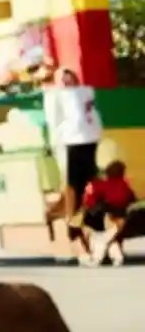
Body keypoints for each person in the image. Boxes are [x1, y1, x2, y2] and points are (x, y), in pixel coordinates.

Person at [42, 66, 103, 264]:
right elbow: (54, 121)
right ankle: (75, 234)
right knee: (73, 190)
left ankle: (93, 230)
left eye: (70, 77)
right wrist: (55, 144)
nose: (67, 81)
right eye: (63, 78)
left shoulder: (85, 92)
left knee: (91, 189)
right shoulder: (54, 96)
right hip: (69, 144)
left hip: (89, 141)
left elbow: (91, 114)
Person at [79, 160, 137, 266]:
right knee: (108, 237)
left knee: (101, 237)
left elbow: (90, 201)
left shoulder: (101, 185)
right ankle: (115, 257)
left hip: (106, 217)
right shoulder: (124, 185)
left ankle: (97, 257)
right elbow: (132, 198)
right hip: (120, 216)